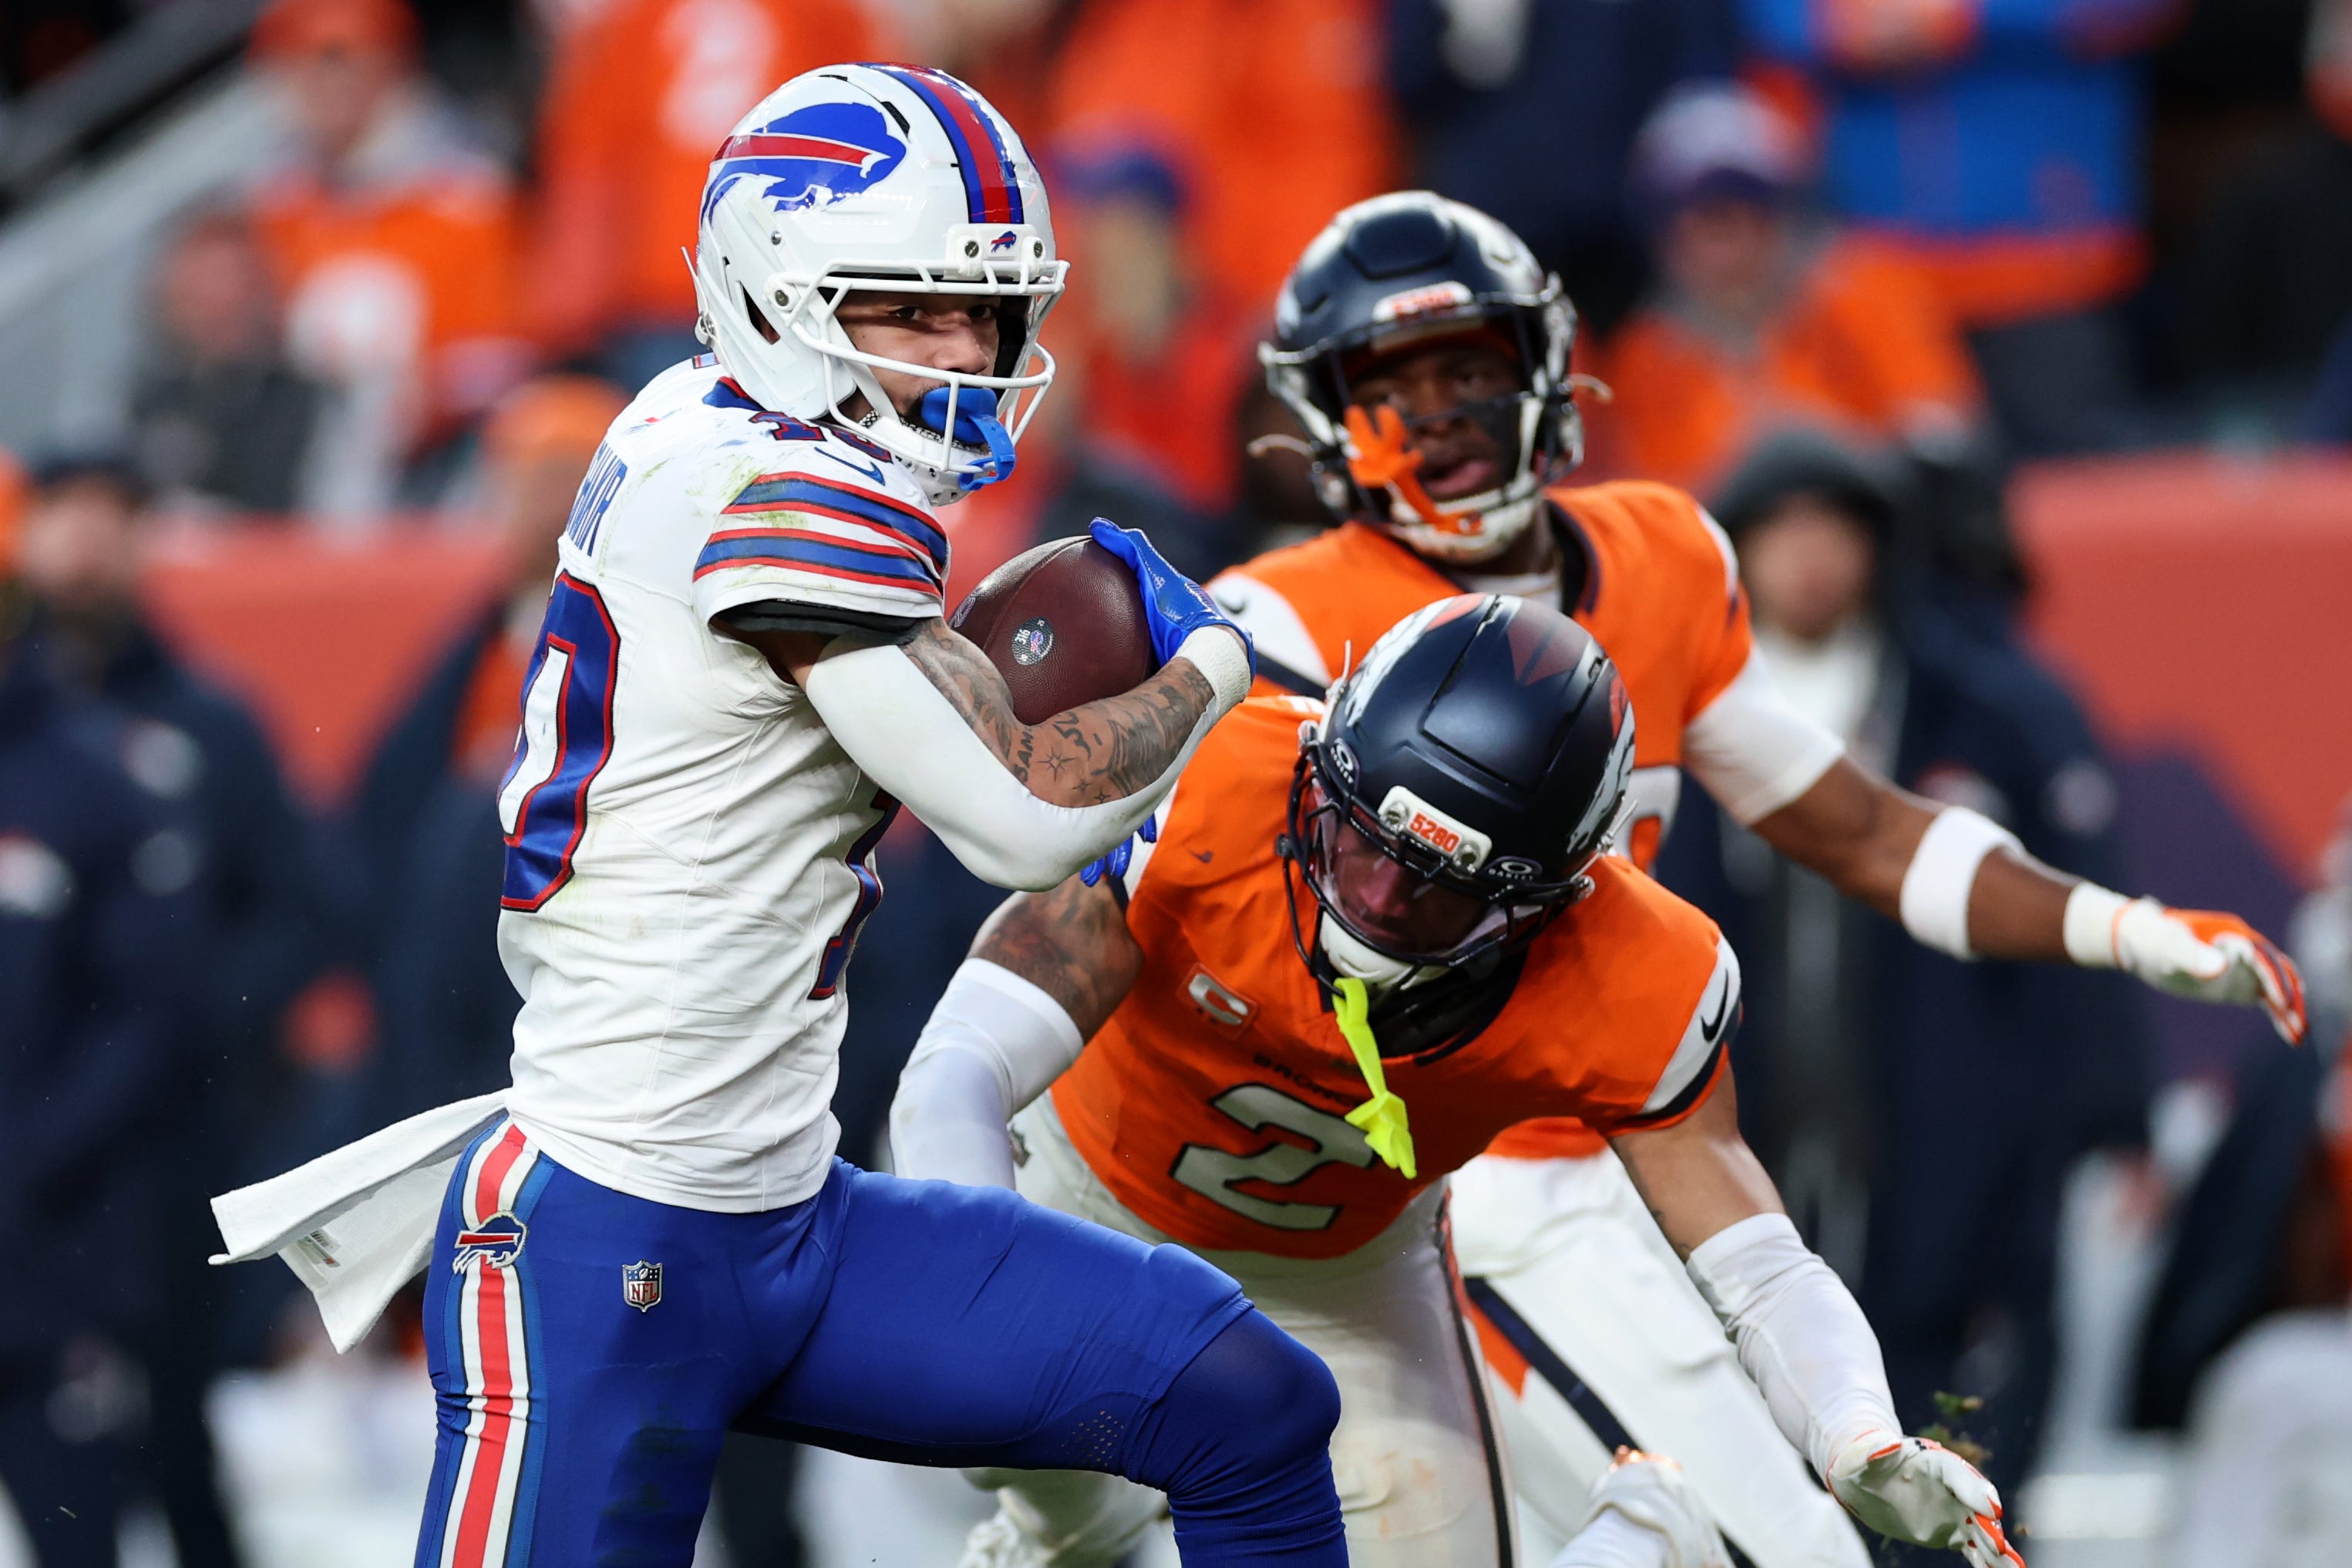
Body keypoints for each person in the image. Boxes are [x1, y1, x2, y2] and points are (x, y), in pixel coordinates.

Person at [210, 63, 1364, 1567]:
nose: (961, 351)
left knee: (1241, 1400)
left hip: (786, 1220)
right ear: (777, 291)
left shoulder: (704, 419)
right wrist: (1218, 654)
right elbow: (1018, 824)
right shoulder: (772, 485)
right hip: (605, 1234)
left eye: (983, 309)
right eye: (908, 309)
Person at [1206, 191, 2307, 1565]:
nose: (1438, 415)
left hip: (1626, 1162)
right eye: (1392, 382)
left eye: (1469, 369)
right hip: (1417, 1180)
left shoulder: (1662, 556)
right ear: (1323, 413)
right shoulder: (1278, 621)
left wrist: (2117, 927)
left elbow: (1855, 828)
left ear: (1543, 368)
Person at [893, 594, 2022, 1568]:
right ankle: (1062, 1524)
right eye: (1357, 841)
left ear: (1548, 899)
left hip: (1342, 1274)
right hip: (1086, 1192)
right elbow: (959, 1069)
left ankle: (1640, 1531)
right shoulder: (1215, 781)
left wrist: (1852, 1432)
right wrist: (998, 1278)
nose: (1376, 899)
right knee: (997, 1406)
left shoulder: (1630, 969)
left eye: (1435, 886)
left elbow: (1755, 1260)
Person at [1653, 429, 2153, 1497]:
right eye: (1778, 529)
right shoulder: (1675, 719)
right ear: (1733, 551)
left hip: (1948, 1131)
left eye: (1833, 527)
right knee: (1740, 1417)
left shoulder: (1983, 710)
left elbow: (2074, 918)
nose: (1809, 557)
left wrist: (2106, 1115)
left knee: (1951, 1418)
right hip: (1741, 1113)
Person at [0, 513, 210, 1567]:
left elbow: (154, 1014)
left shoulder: (95, 782)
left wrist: (30, 1150)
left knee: (79, 1539)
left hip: (51, 1265)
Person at [1736, 0, 2179, 456]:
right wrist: (1843, 24)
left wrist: (1964, 15)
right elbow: (1768, 26)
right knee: (1879, 486)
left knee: (2078, 476)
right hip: (1870, 271)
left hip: (2044, 264)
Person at [1584, 84, 1982, 496]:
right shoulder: (1645, 357)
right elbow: (1646, 500)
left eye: (1744, 215)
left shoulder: (1869, 294)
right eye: (1699, 223)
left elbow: (1943, 446)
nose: (1727, 251)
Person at [245, 0, 532, 519]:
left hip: (442, 466)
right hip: (302, 470)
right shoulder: (276, 208)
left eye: (343, 63)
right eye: (303, 65)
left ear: (392, 70)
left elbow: (503, 358)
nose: (325, 86)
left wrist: (425, 394)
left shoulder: (464, 199)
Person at [129, 208, 326, 516]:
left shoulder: (306, 398)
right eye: (202, 297)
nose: (223, 308)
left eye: (238, 287)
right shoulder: (149, 399)